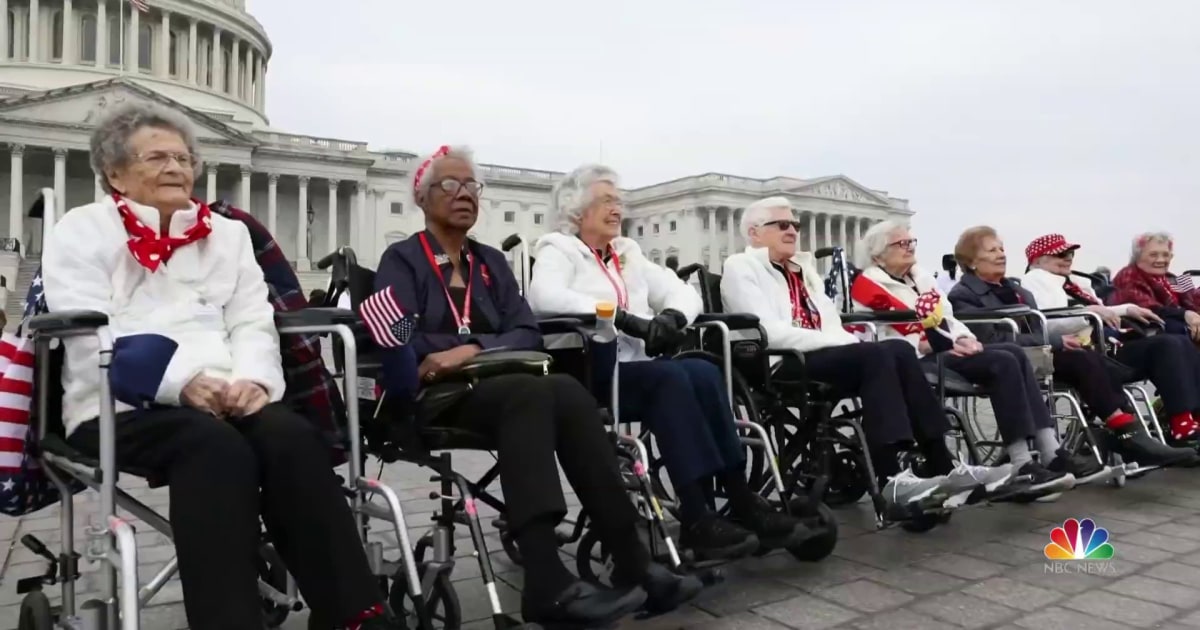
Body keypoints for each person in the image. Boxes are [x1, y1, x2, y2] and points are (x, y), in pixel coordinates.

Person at [41, 103, 400, 630]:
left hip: (229, 393)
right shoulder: (82, 229)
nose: (175, 168)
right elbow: (93, 332)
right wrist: (181, 383)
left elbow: (253, 318)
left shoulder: (226, 236)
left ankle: (355, 614)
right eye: (156, 157)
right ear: (114, 173)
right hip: (120, 400)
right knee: (213, 447)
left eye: (183, 157)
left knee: (289, 436)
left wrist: (254, 381)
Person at [372, 146, 701, 627]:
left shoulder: (490, 263)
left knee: (565, 389)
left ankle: (633, 560)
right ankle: (546, 582)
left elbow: (526, 330)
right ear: (422, 198)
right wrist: (455, 351)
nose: (464, 194)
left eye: (471, 186)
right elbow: (398, 332)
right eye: (449, 185)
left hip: (493, 383)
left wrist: (470, 348)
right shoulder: (401, 259)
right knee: (532, 394)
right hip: (436, 396)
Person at [528, 164, 809, 562]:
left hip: (636, 370)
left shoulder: (627, 254)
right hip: (588, 371)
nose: (617, 208)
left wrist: (672, 317)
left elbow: (681, 290)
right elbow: (545, 296)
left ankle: (740, 497)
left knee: (703, 370)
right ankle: (696, 516)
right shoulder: (558, 249)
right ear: (577, 209)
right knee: (670, 378)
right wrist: (621, 317)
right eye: (607, 200)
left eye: (618, 201)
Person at [719, 197, 1013, 515]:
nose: (792, 230)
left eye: (795, 224)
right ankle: (891, 477)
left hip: (820, 353)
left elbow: (832, 322)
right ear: (754, 233)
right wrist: (839, 343)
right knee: (874, 356)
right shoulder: (740, 267)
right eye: (782, 225)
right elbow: (771, 332)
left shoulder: (804, 270)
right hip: (779, 360)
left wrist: (843, 343)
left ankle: (942, 463)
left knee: (897, 349)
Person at [852, 221, 1084, 491]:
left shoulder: (921, 279)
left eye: (911, 242)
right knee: (1002, 360)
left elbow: (948, 318)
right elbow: (874, 336)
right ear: (878, 254)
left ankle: (1050, 450)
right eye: (900, 244)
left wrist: (963, 338)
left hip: (946, 348)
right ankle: (1021, 461)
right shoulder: (868, 286)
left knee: (1013, 352)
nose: (909, 248)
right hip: (915, 358)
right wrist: (933, 342)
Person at [947, 227, 1193, 467]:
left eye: (1001, 248)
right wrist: (1058, 338)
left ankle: (1128, 431)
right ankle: (1124, 430)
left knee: (1089, 357)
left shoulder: (1016, 290)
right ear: (972, 261)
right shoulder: (963, 295)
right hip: (1012, 357)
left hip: (1040, 352)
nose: (1001, 254)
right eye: (992, 251)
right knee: (1082, 359)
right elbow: (990, 339)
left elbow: (1035, 327)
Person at [1023, 233, 1200, 444]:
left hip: (1106, 345)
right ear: (1037, 260)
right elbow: (1048, 321)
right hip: (1078, 350)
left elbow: (1103, 310)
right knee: (1168, 344)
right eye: (1060, 254)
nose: (1068, 258)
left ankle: (1191, 417)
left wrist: (1127, 309)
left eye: (1070, 253)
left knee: (1179, 342)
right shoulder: (1036, 281)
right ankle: (1180, 423)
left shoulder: (1074, 284)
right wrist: (1091, 312)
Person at [1111, 232, 1200, 343]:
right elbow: (1149, 309)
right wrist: (1185, 314)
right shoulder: (1129, 275)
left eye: (1166, 255)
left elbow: (1194, 302)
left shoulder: (1172, 279)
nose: (1161, 260)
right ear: (1138, 257)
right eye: (1153, 255)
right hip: (1148, 337)